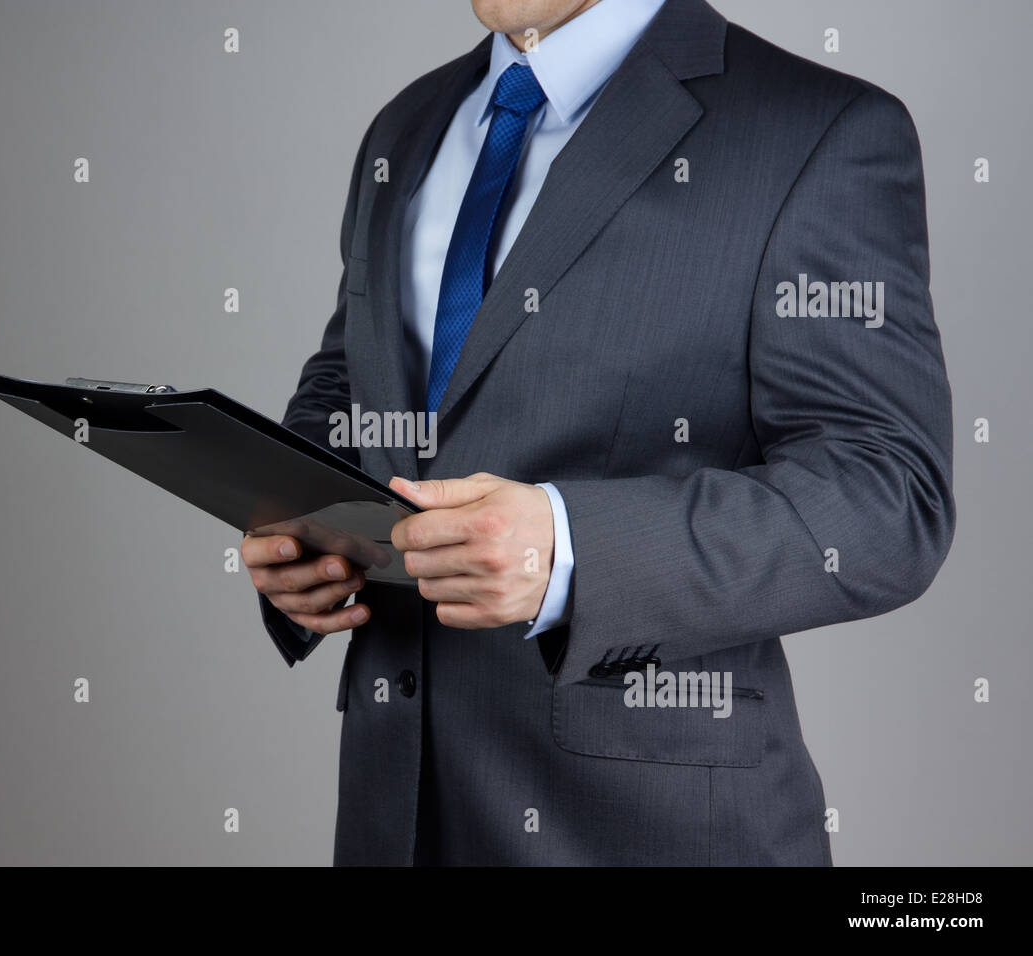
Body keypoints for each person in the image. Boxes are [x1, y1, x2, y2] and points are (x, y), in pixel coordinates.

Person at [243, 0, 955, 865]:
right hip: (395, 815)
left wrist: (568, 548)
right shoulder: (409, 122)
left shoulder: (817, 131)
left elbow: (887, 501)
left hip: (642, 830)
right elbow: (350, 381)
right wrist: (304, 523)